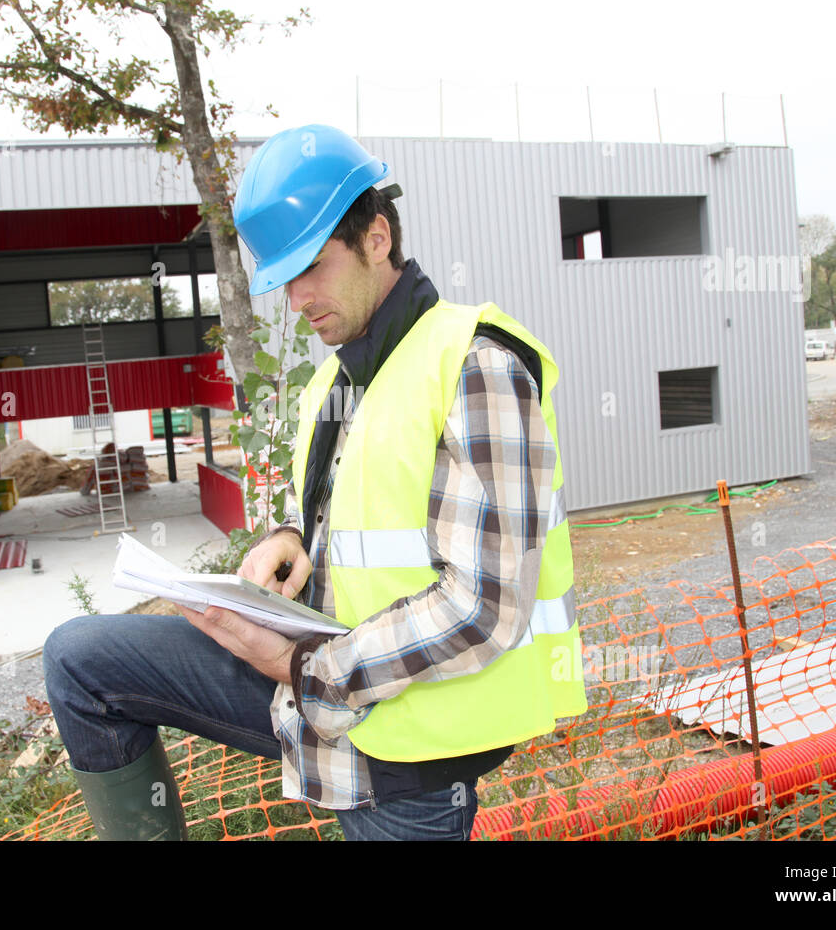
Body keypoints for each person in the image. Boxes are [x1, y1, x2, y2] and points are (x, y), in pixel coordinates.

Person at [43, 124, 587, 841]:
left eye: (313, 268)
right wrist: (292, 537)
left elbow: (481, 608)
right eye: (284, 279)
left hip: (407, 759)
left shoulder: (473, 364)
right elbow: (356, 507)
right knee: (80, 659)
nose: (297, 298)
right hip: (319, 688)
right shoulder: (337, 378)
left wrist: (303, 665)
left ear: (378, 238)